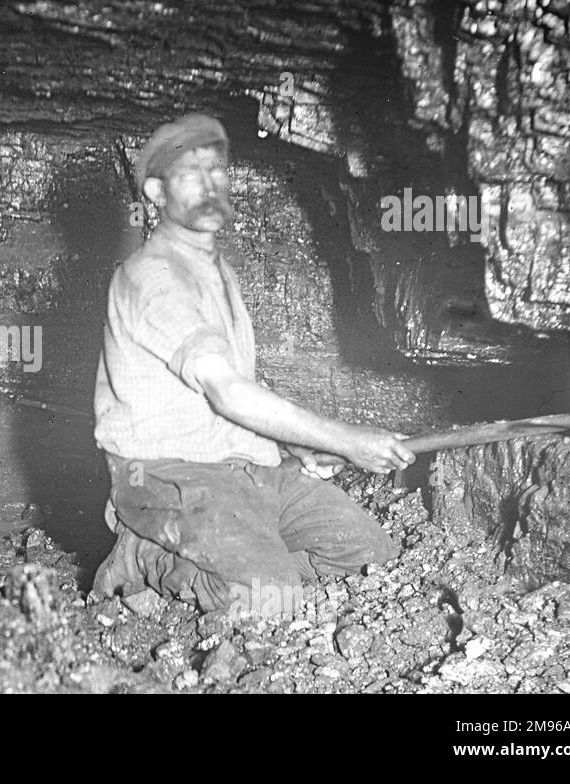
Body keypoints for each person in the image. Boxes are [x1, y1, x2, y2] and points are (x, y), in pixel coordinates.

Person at [91, 114, 415, 618]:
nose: (210, 184)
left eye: (217, 171)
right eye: (189, 173)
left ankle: (239, 559)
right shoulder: (150, 277)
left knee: (369, 557)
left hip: (249, 471)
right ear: (155, 191)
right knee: (271, 597)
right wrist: (344, 439)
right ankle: (146, 554)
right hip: (169, 475)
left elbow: (241, 384)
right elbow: (226, 393)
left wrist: (298, 443)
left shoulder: (219, 273)